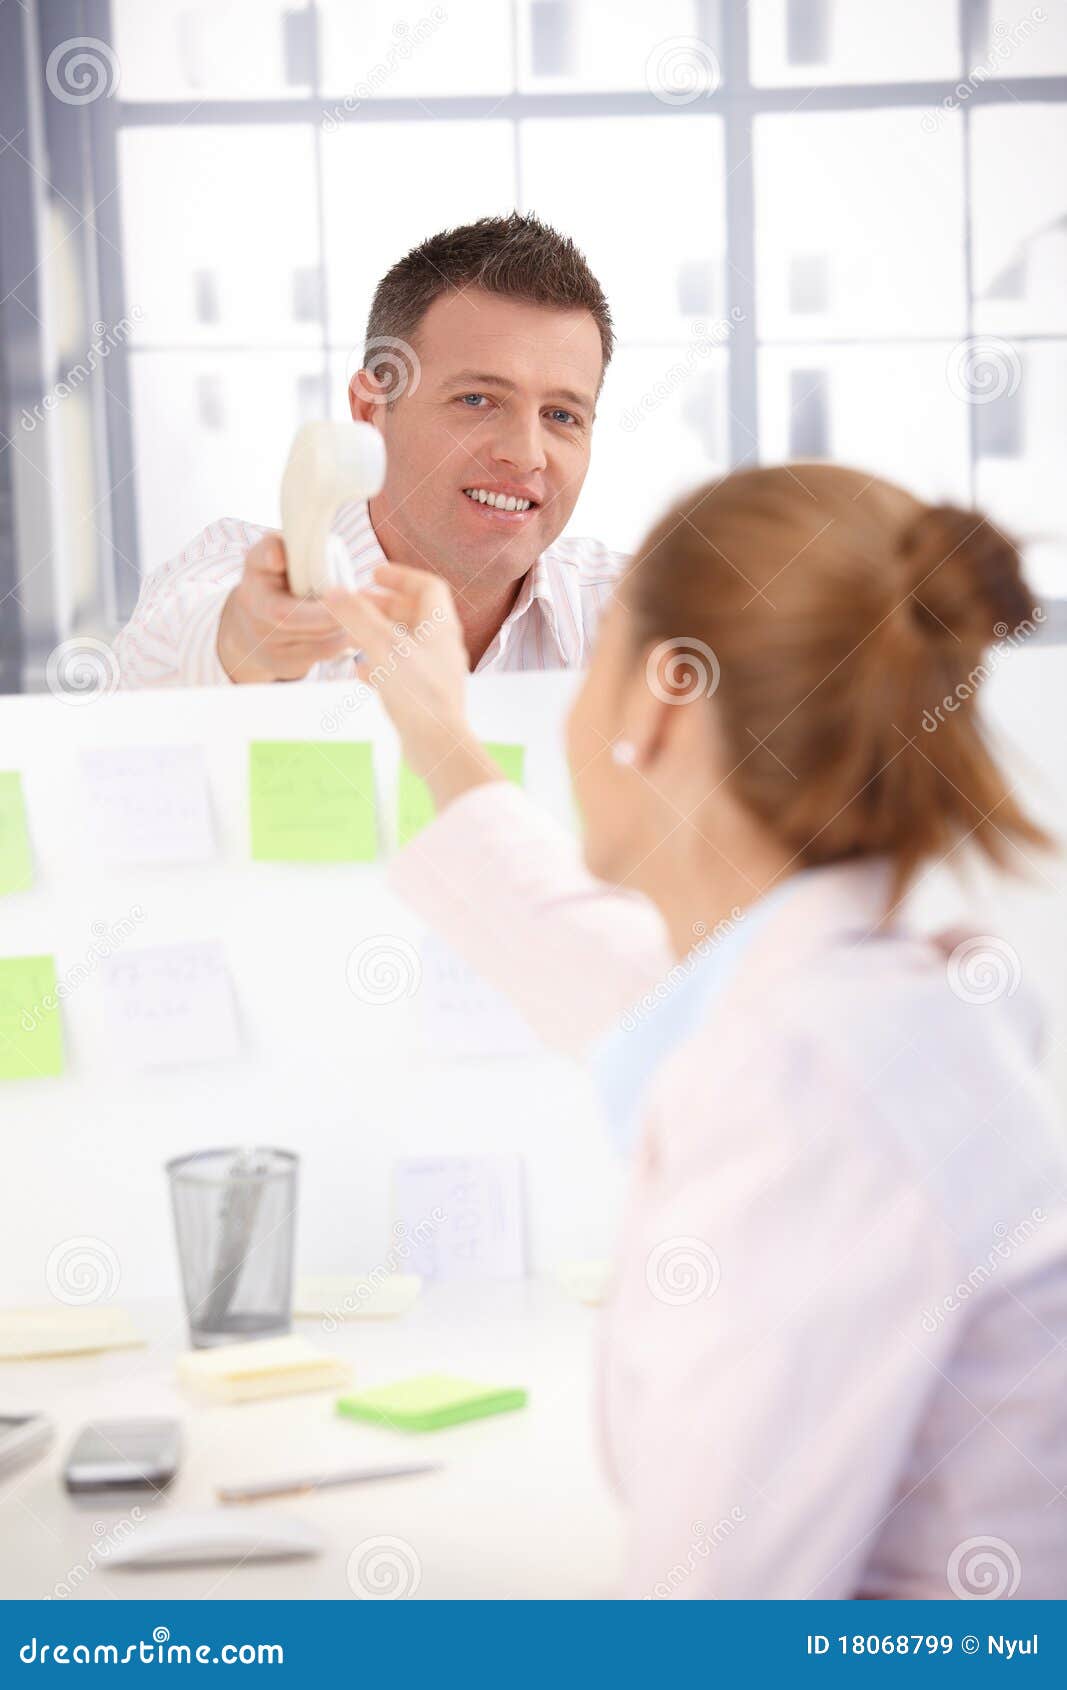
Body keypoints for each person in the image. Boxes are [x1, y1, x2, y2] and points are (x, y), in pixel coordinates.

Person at [333, 462, 1067, 1599]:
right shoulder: (838, 1004)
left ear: (661, 700)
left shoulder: (805, 1084)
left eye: (596, 661)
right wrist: (433, 723)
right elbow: (616, 976)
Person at [113, 214, 623, 688]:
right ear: (370, 408)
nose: (526, 454)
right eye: (476, 400)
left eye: (561, 415)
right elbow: (150, 663)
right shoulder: (238, 576)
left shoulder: (633, 611)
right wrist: (238, 642)